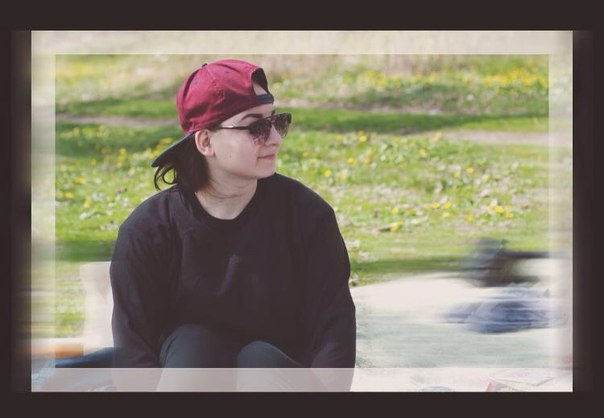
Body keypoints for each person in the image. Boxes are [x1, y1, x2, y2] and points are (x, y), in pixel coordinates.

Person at [109, 59, 356, 389]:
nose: (275, 139)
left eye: (276, 122)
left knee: (259, 362)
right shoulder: (147, 232)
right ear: (205, 142)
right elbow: (133, 356)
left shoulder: (308, 217)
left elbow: (333, 337)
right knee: (193, 347)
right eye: (255, 127)